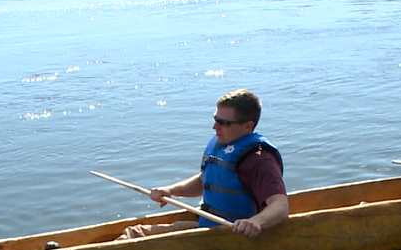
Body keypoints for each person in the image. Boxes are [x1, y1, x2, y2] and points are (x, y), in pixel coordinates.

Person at [121, 89, 288, 239]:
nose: (215, 127)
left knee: (134, 234)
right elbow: (205, 181)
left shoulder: (260, 160)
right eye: (215, 119)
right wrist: (171, 190)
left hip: (230, 236)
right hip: (207, 226)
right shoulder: (223, 144)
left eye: (223, 123)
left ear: (248, 126)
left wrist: (256, 222)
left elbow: (280, 206)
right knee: (133, 233)